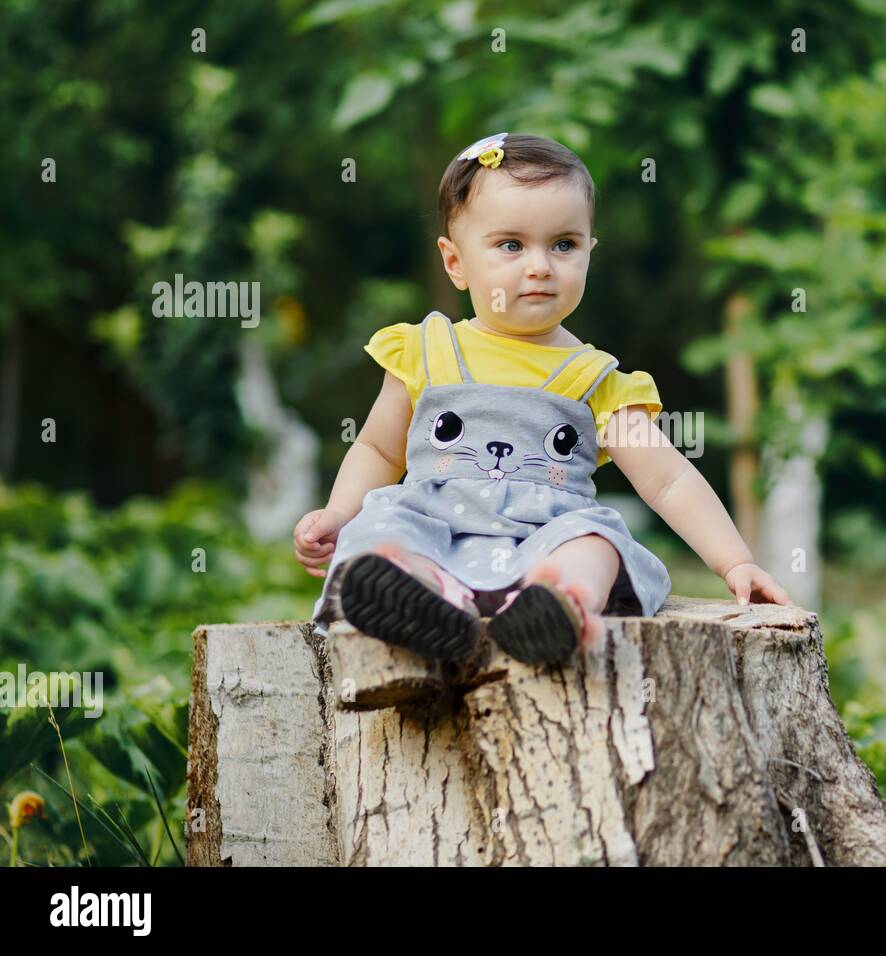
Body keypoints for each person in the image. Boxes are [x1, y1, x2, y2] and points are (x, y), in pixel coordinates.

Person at [295, 132, 791, 666]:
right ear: (455, 262)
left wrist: (735, 562)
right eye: (511, 245)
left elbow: (668, 479)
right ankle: (415, 599)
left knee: (597, 541)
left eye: (564, 245)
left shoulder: (594, 378)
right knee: (381, 529)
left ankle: (559, 605)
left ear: (588, 253)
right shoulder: (425, 350)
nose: (540, 266)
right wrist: (340, 511)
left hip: (546, 539)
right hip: (433, 527)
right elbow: (377, 450)